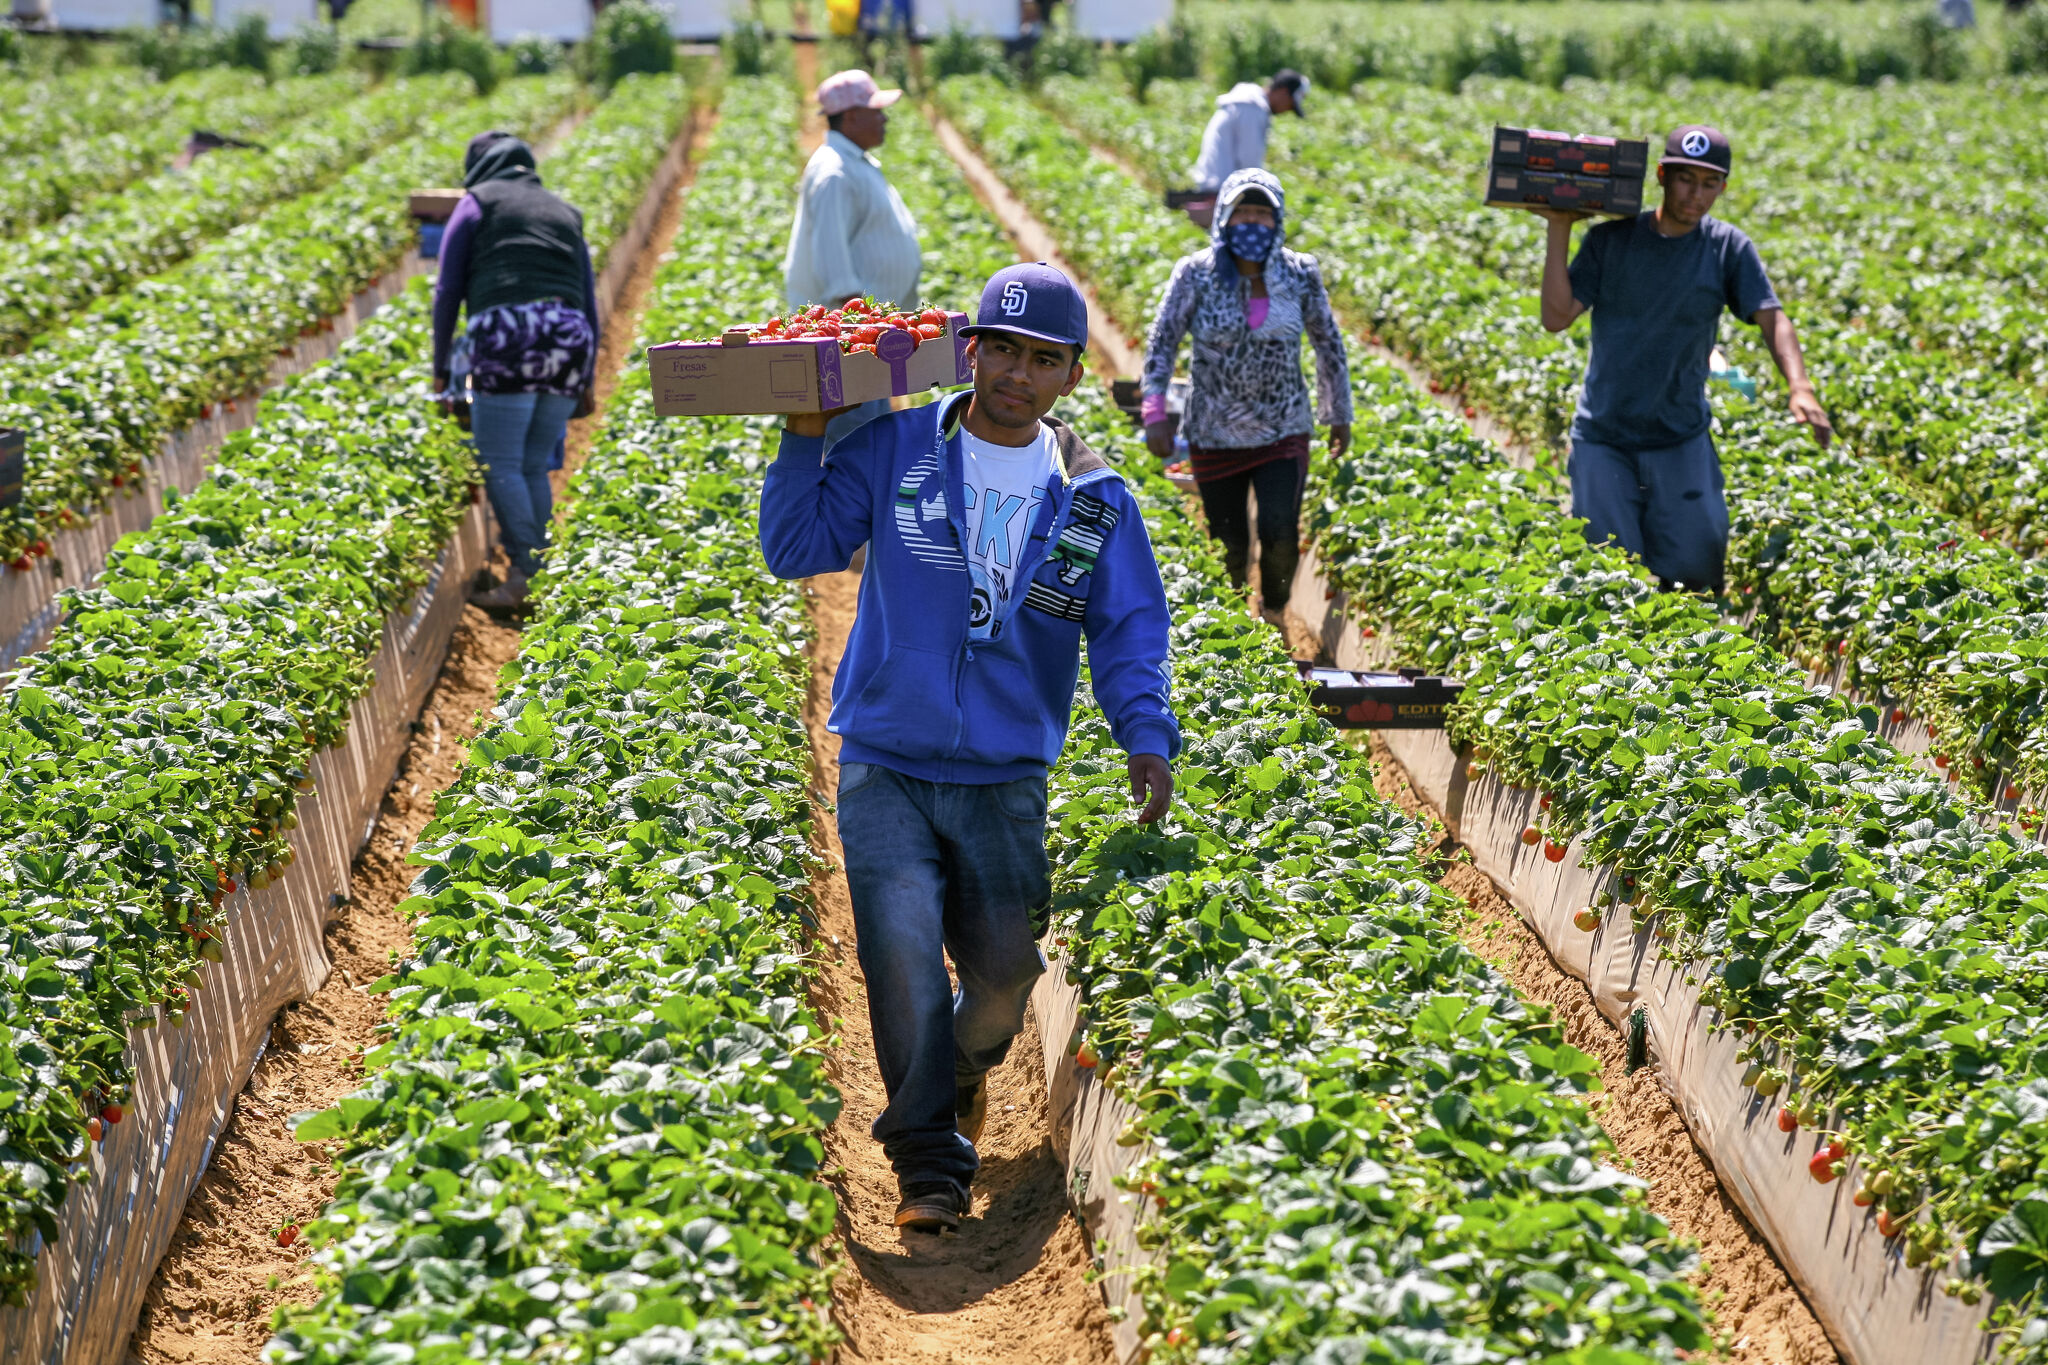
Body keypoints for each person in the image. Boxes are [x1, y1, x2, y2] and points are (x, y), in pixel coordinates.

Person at [759, 263, 1180, 1236]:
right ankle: (929, 1164)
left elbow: (1125, 632)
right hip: (884, 758)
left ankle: (946, 1081)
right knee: (900, 959)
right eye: (1001, 350)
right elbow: (794, 549)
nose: (1016, 375)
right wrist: (801, 430)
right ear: (971, 351)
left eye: (1042, 360)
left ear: (1071, 375)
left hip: (1003, 776)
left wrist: (1143, 736)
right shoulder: (899, 448)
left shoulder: (1090, 500)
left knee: (1002, 980)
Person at [1539, 124, 1831, 596]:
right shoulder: (1611, 242)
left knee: (1696, 571)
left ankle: (1678, 664)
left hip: (1680, 437)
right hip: (1604, 437)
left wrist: (1800, 386)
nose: (1696, 195)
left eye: (1709, 184)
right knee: (1611, 580)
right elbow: (1556, 318)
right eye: (1685, 180)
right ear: (1661, 176)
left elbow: (1773, 318)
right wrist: (1558, 228)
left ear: (1723, 188)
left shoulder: (1727, 248)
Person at [1140, 168, 1351, 624]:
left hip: (1283, 427)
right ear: (1223, 218)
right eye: (1243, 213)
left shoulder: (1299, 273)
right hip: (1214, 430)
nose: (1253, 223)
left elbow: (1327, 342)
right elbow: (1163, 341)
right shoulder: (1195, 274)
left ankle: (1275, 614)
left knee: (1279, 530)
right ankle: (1234, 627)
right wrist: (1155, 410)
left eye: (1263, 213)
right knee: (1228, 542)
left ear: (1278, 220)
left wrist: (1338, 413)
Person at [432, 131, 598, 610]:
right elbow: (587, 299)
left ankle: (528, 574)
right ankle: (541, 570)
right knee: (530, 464)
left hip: (507, 336)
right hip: (567, 337)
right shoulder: (565, 212)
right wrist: (584, 375)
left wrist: (441, 366)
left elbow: (447, 292)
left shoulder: (476, 204)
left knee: (500, 462)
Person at [783, 69, 923, 313]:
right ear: (851, 116)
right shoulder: (834, 172)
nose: (884, 119)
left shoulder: (853, 162)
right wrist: (858, 315)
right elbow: (831, 251)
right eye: (876, 111)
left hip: (875, 324)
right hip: (853, 328)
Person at [1184, 69, 1308, 228]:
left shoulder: (1244, 104)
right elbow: (1249, 162)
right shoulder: (1252, 109)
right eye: (1290, 105)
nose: (1286, 111)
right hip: (1224, 192)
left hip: (1216, 185)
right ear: (1283, 92)